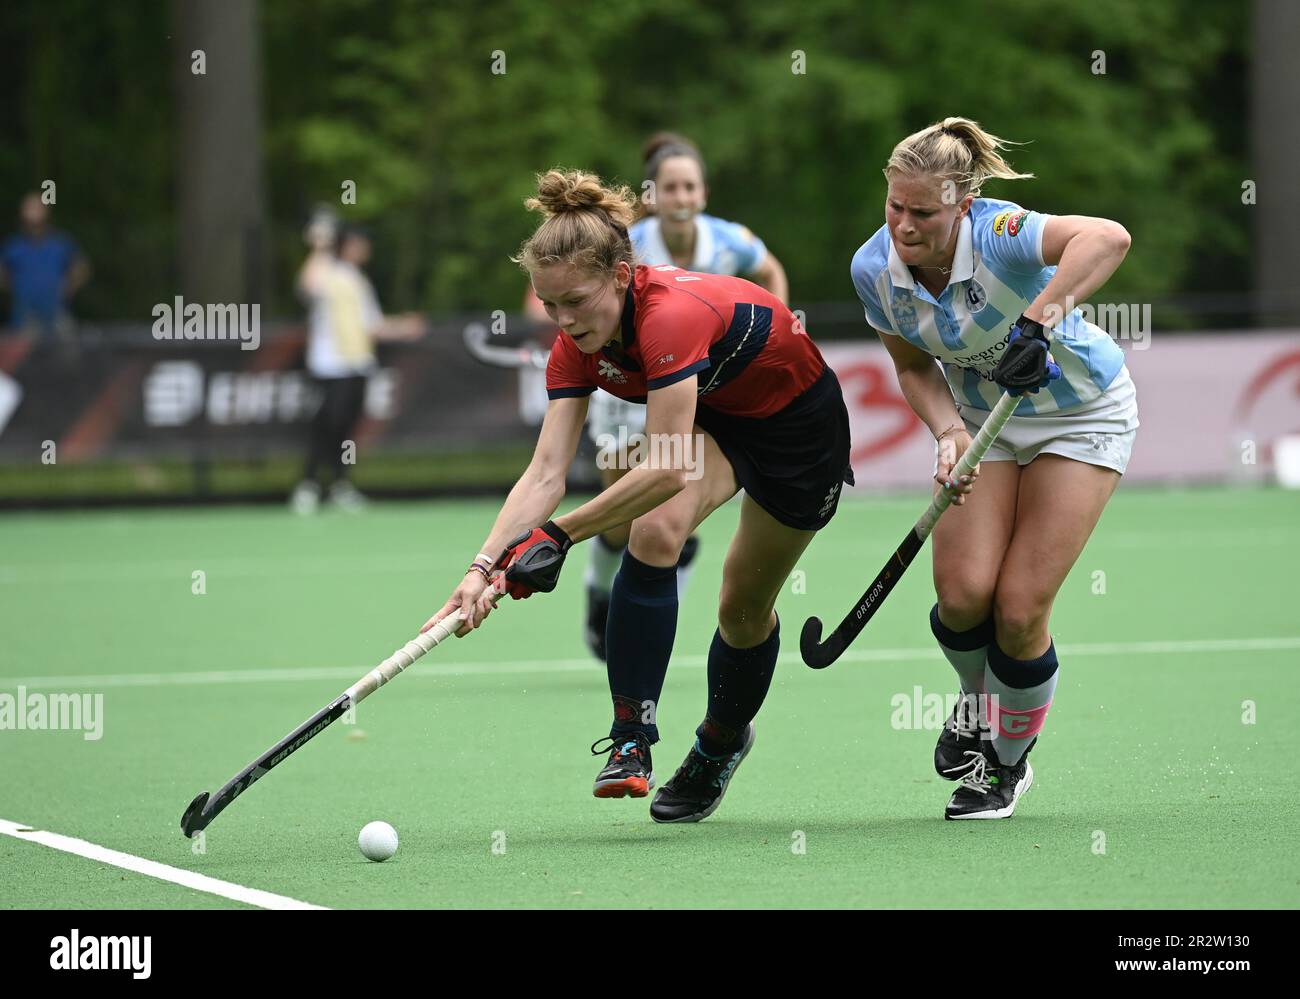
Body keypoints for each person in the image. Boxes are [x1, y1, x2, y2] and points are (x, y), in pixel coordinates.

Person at [426, 169, 852, 823]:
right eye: (549, 305)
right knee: (653, 535)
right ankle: (631, 737)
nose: (564, 321)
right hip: (719, 419)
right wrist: (481, 566)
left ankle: (720, 741)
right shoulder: (574, 347)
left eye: (575, 301)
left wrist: (559, 535)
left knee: (742, 607)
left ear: (622, 276)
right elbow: (545, 472)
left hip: (798, 429)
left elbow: (663, 468)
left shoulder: (669, 319)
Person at [850, 117, 1137, 819]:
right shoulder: (872, 270)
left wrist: (1036, 325)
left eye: (924, 211)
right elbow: (913, 366)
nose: (905, 225)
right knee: (963, 595)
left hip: (1081, 415)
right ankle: (976, 706)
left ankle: (1006, 766)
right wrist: (947, 430)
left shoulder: (1001, 234)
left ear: (963, 205)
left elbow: (1108, 236)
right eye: (895, 206)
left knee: (1017, 608)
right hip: (984, 424)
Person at [578, 133, 790, 662]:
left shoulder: (729, 238)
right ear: (652, 194)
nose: (681, 196)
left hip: (696, 383)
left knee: (673, 502)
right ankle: (599, 594)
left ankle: (655, 602)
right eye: (670, 187)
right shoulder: (628, 240)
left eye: (690, 186)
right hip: (631, 386)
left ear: (704, 192)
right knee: (620, 509)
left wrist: (776, 326)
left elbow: (770, 270)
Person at [290, 217, 424, 514]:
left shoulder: (358, 280)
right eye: (358, 243)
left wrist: (404, 327)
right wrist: (322, 245)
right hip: (330, 366)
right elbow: (307, 284)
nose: (365, 248)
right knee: (327, 424)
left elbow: (371, 326)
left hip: (357, 363)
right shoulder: (329, 272)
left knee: (345, 428)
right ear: (347, 246)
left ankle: (339, 485)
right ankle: (309, 485)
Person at [0, 193, 90, 338]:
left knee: (69, 350)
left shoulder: (59, 243)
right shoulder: (14, 246)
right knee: (24, 354)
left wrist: (69, 286)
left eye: (37, 208)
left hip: (57, 313)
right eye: (29, 208)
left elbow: (81, 266)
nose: (33, 213)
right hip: (24, 316)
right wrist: (14, 288)